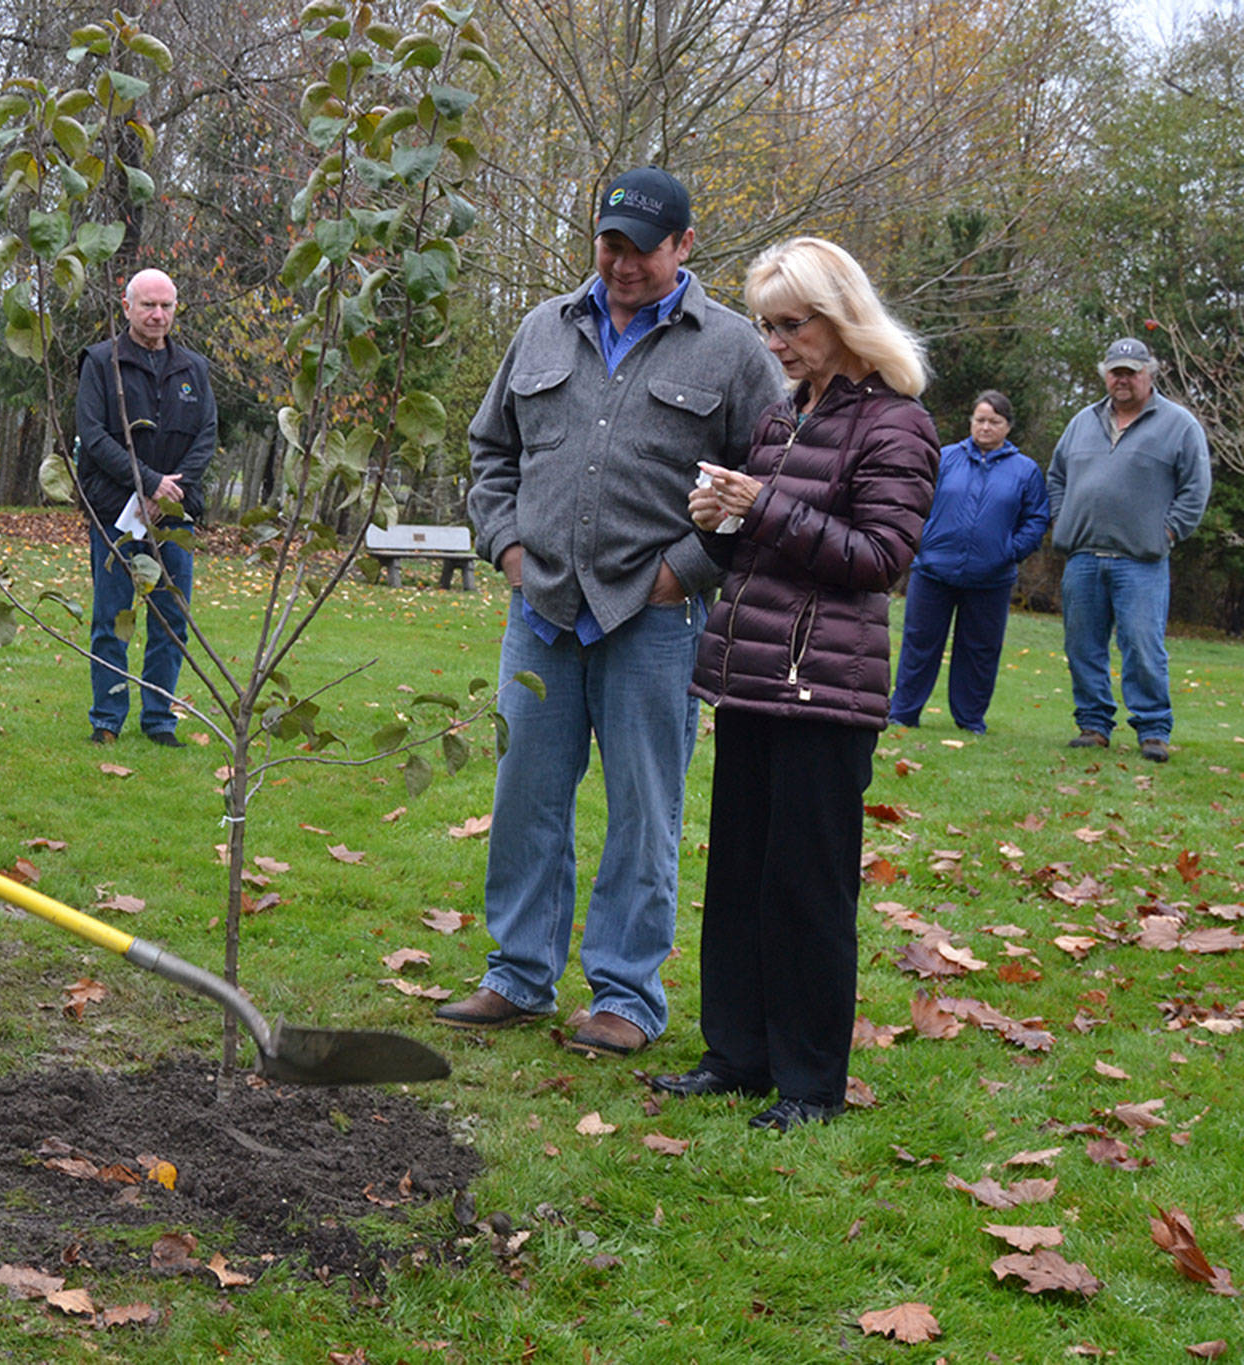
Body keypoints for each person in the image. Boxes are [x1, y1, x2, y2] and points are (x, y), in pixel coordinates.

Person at [442, 167, 782, 1059]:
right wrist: (507, 547)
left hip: (655, 620)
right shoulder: (540, 328)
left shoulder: (737, 350)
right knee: (525, 799)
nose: (621, 263)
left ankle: (626, 995)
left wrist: (693, 569)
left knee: (644, 809)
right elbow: (491, 449)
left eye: (641, 247)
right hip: (542, 612)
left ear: (684, 247)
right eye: (609, 243)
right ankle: (517, 975)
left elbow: (771, 481)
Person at [653, 236, 938, 1130]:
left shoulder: (897, 424)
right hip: (751, 679)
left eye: (790, 326)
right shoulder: (786, 416)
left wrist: (760, 505)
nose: (774, 344)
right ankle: (736, 1055)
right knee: (738, 877)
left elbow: (881, 560)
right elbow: (770, 544)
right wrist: (722, 523)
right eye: (768, 327)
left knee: (807, 889)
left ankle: (811, 1083)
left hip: (828, 691)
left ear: (841, 316)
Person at [1045, 337, 1210, 762]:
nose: (1122, 379)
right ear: (1105, 375)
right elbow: (1056, 476)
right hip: (1083, 558)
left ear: (1149, 374)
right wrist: (1061, 520)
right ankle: (1093, 725)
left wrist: (1168, 533)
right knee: (1082, 645)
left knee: (1142, 645)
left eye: (1131, 371)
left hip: (1142, 561)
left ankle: (1153, 730)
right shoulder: (1082, 421)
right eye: (1115, 371)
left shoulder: (1179, 425)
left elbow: (1195, 488)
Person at [75, 269, 217, 748]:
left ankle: (159, 720)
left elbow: (206, 437)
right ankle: (107, 719)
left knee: (171, 621)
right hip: (116, 511)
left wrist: (168, 494)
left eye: (167, 306)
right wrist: (148, 485)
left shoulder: (194, 369)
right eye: (148, 305)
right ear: (127, 306)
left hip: (175, 515)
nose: (158, 315)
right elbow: (93, 437)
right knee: (111, 619)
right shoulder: (100, 363)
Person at [887, 391, 1051, 733]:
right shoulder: (944, 459)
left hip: (991, 578)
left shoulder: (1025, 471)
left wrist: (1010, 551)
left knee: (979, 652)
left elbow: (1036, 519)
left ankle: (969, 718)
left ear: (1008, 426)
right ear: (971, 422)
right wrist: (922, 541)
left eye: (995, 421)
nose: (986, 427)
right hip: (933, 570)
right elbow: (915, 501)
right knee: (919, 644)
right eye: (980, 420)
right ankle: (903, 712)